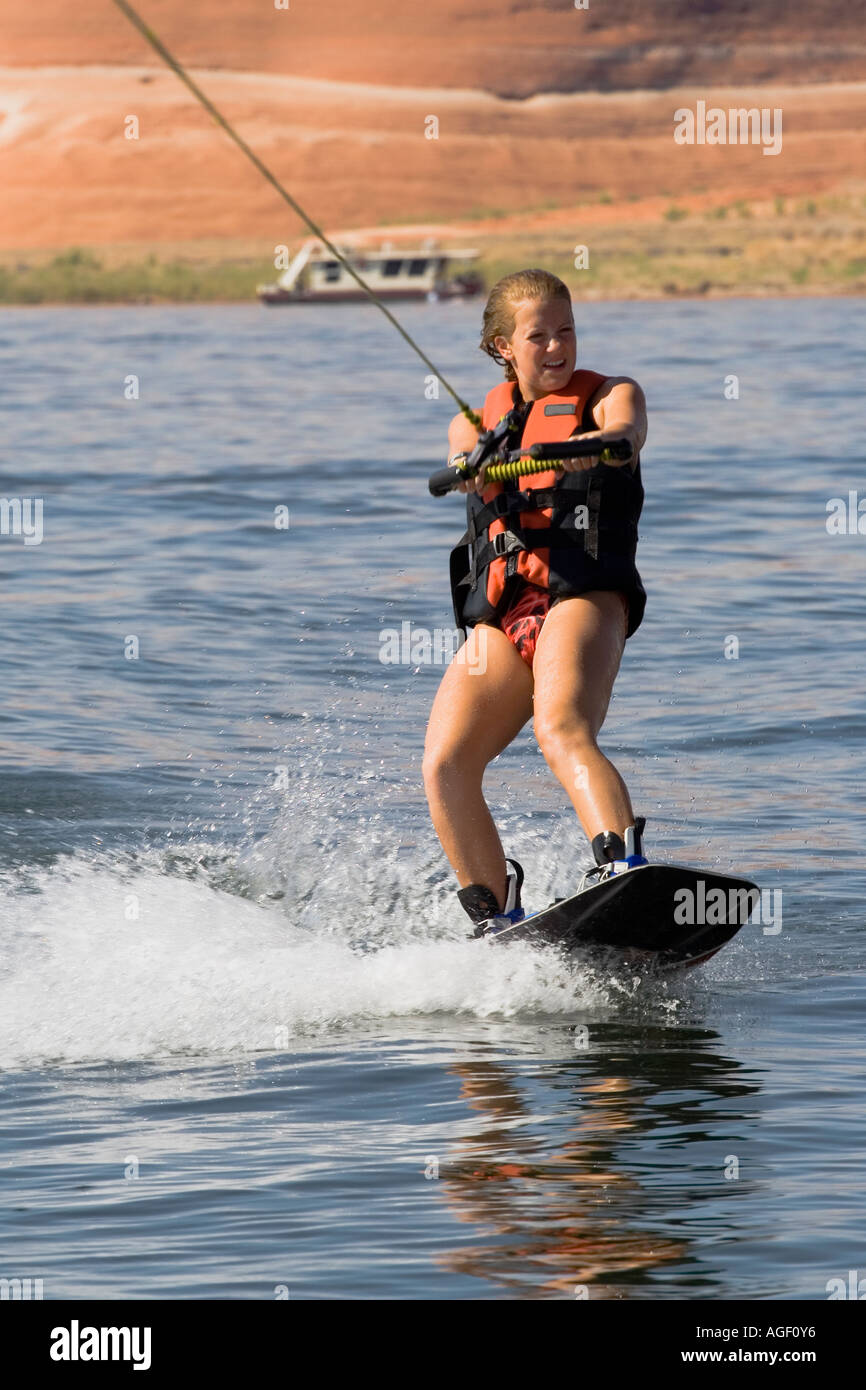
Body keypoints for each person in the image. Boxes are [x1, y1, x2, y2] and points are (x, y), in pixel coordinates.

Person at [423, 268, 648, 936]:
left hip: (581, 593)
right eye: (538, 336)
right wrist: (481, 461)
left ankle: (621, 869)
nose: (556, 347)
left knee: (561, 729)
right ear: (502, 347)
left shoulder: (610, 396)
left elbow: (627, 431)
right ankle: (496, 915)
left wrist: (586, 450)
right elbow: (460, 456)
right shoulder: (472, 424)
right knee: (445, 765)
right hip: (506, 611)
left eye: (567, 331)